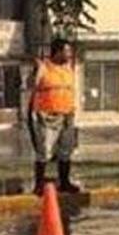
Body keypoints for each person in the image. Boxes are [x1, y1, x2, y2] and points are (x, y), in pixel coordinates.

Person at [29, 37, 80, 195]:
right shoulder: (44, 68)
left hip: (67, 115)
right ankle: (39, 185)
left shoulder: (68, 69)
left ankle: (64, 182)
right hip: (47, 116)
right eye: (66, 51)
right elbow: (32, 87)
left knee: (66, 150)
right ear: (57, 52)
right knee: (44, 151)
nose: (69, 54)